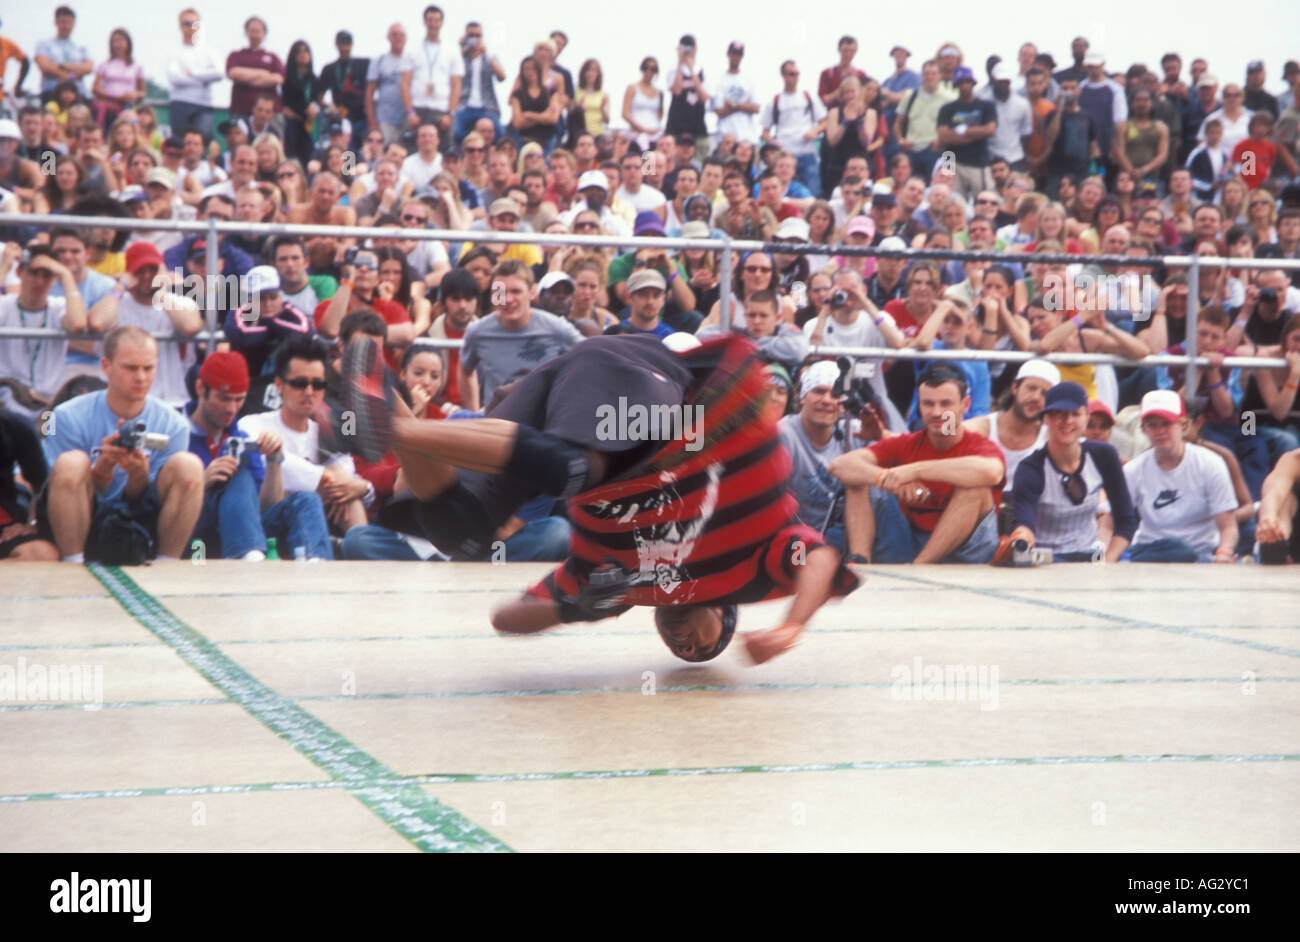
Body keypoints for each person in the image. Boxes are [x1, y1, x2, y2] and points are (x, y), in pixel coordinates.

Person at [41, 326, 204, 564]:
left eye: (148, 368)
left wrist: (139, 475)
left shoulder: (174, 423)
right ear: (106, 366)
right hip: (84, 514)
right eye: (130, 368)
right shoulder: (64, 415)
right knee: (71, 463)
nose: (141, 377)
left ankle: (167, 564)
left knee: (189, 466)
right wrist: (103, 467)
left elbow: (146, 500)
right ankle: (73, 562)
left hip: (139, 519)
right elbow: (61, 487)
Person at [830, 364, 1005, 564]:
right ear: (919, 406)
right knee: (857, 478)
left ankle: (921, 566)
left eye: (946, 404)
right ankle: (860, 565)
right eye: (928, 404)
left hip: (961, 553)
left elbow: (991, 472)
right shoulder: (907, 443)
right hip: (907, 541)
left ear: (965, 405)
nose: (937, 412)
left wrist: (914, 471)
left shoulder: (979, 445)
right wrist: (888, 479)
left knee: (976, 488)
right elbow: (840, 465)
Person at [186, 351, 332, 560]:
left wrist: (274, 460)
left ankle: (316, 565)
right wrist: (201, 482)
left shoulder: (242, 437)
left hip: (245, 532)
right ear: (201, 388)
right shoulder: (177, 432)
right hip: (195, 535)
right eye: (223, 398)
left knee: (306, 500)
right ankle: (249, 559)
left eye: (239, 399)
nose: (231, 408)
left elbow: (265, 508)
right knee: (239, 475)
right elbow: (157, 502)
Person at [238, 336, 369, 533]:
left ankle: (360, 558)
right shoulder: (252, 424)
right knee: (308, 498)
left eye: (317, 385)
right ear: (279, 385)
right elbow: (278, 470)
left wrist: (362, 487)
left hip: (320, 517)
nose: (309, 392)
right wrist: (326, 479)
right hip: (265, 520)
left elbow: (347, 481)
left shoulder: (329, 435)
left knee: (348, 498)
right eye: (300, 383)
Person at [1007, 381, 1136, 562]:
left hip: (1091, 554)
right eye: (1059, 414)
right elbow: (1024, 523)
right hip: (1046, 557)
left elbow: (1126, 520)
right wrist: (1021, 538)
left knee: (1175, 550)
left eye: (1075, 414)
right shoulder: (1031, 468)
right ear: (1046, 419)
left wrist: (1107, 562)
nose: (1068, 421)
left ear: (1086, 418)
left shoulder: (1104, 455)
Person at [1122, 389, 1240, 563]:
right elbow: (1115, 522)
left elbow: (1228, 525)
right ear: (1144, 429)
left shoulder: (1210, 463)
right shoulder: (1133, 469)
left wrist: (1224, 552)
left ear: (1183, 425)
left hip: (1199, 554)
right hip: (1148, 551)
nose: (1160, 431)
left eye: (1166, 423)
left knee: (1182, 551)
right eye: (1152, 425)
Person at [457, 259, 582, 411]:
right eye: (500, 292)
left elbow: (589, 358)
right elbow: (465, 370)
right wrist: (473, 412)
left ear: (531, 293)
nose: (508, 299)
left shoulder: (556, 328)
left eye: (516, 291)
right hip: (497, 421)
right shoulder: (478, 331)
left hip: (541, 422)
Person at [92, 241, 203, 405]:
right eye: (140, 270)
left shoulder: (176, 302)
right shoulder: (117, 303)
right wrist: (122, 284)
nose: (146, 276)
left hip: (171, 401)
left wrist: (160, 291)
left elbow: (191, 327)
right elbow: (97, 323)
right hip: (124, 400)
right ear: (130, 273)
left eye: (152, 270)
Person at [0, 244, 90, 424]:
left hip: (50, 405)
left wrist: (65, 274)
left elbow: (78, 324)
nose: (39, 281)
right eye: (34, 273)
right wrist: (4, 268)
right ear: (20, 273)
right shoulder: (6, 304)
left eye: (47, 275)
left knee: (54, 442)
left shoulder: (58, 307)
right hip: (8, 402)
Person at [962, 359, 1057, 525]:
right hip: (980, 513)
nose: (1035, 397)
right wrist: (947, 416)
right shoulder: (981, 427)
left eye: (1045, 393)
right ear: (1015, 388)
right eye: (1031, 388)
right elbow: (944, 436)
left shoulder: (1051, 438)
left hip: (1028, 516)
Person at [410, 5, 462, 149]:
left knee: (444, 152)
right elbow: (404, 83)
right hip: (418, 109)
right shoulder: (413, 49)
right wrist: (410, 113)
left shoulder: (452, 50)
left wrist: (450, 114)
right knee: (413, 151)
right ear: (424, 22)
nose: (433, 24)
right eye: (430, 20)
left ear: (442, 23)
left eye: (437, 20)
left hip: (441, 110)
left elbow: (456, 85)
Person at [453, 21, 505, 144]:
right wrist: (461, 48)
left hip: (487, 108)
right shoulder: (460, 58)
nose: (474, 39)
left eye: (478, 36)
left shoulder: (489, 57)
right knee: (456, 132)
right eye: (471, 36)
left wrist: (485, 53)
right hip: (464, 106)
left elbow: (502, 77)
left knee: (500, 133)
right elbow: (450, 74)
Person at [225, 16, 284, 123]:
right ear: (246, 33)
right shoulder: (236, 55)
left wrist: (246, 79)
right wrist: (263, 73)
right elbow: (233, 73)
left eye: (258, 31)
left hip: (270, 114)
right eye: (252, 31)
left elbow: (277, 79)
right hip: (240, 111)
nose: (255, 35)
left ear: (264, 34)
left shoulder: (273, 57)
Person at [366, 23, 417, 145]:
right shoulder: (379, 61)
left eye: (401, 35)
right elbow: (369, 93)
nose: (398, 38)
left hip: (408, 118)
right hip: (385, 119)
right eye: (394, 35)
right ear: (388, 37)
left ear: (406, 38)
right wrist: (372, 122)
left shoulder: (413, 60)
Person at [34, 7, 93, 104]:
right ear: (56, 22)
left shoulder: (81, 46)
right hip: (51, 93)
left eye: (70, 23)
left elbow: (89, 68)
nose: (66, 26)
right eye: (63, 22)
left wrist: (62, 66)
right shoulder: (44, 44)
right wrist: (74, 73)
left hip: (78, 95)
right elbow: (45, 67)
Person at [90, 29, 144, 130]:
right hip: (108, 109)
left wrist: (136, 94)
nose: (118, 44)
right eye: (115, 41)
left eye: (122, 40)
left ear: (128, 43)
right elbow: (95, 89)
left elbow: (143, 92)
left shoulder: (136, 67)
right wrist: (115, 96)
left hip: (127, 108)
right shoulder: (104, 65)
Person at [1257, 447, 1300, 564]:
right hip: (1295, 542)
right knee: (1285, 499)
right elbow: (1274, 491)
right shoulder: (1294, 459)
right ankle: (1275, 540)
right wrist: (1268, 517)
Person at [665, 37, 708, 154]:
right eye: (685, 47)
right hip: (676, 126)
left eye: (690, 47)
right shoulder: (672, 70)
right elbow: (677, 91)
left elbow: (704, 97)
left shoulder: (702, 70)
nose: (688, 50)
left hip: (698, 127)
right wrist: (680, 62)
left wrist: (691, 68)